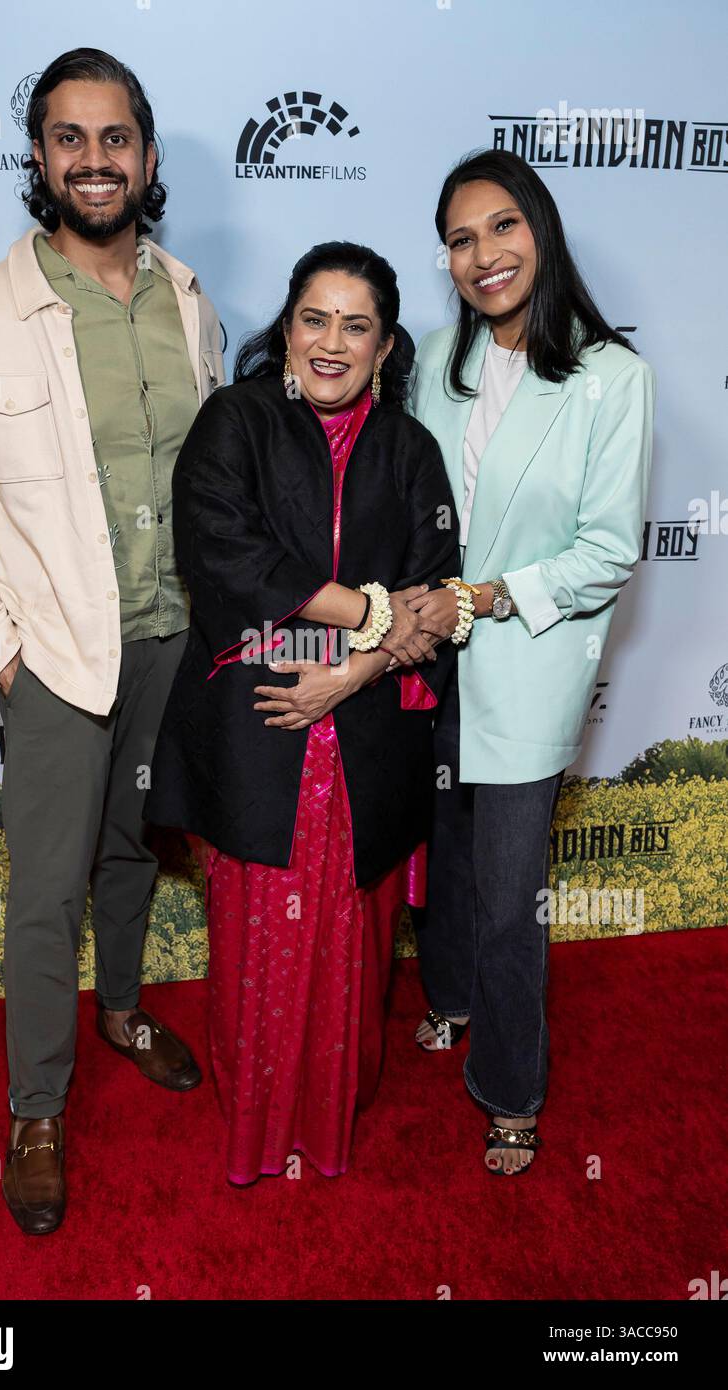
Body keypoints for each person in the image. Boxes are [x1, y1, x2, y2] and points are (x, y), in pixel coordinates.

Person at [0, 47, 224, 1234]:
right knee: (44, 890)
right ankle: (36, 1107)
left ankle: (125, 1009)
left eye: (115, 138)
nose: (94, 160)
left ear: (145, 154)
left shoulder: (190, 298)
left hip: (170, 635)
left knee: (134, 849)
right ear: (39, 157)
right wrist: (2, 650)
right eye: (69, 138)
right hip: (53, 651)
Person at [143, 242, 459, 1184]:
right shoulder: (234, 422)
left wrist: (351, 672)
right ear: (286, 329)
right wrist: (360, 614)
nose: (332, 343)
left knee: (353, 945)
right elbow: (223, 558)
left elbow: (431, 596)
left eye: (356, 327)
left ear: (386, 344)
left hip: (363, 733)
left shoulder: (409, 450)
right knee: (256, 940)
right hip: (260, 725)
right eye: (315, 320)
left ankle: (329, 1116)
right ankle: (258, 1111)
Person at [407, 148, 655, 1174]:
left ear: (539, 231)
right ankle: (447, 997)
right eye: (460, 239)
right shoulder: (431, 358)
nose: (482, 254)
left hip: (525, 655)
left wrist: (486, 594)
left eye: (500, 227)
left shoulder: (610, 378)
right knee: (442, 850)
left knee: (509, 891)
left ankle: (509, 1087)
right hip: (424, 656)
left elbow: (606, 549)